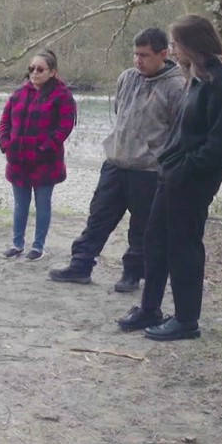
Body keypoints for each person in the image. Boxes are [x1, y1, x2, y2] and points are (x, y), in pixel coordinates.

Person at [116, 14, 222, 341]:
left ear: (191, 43)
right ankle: (150, 308)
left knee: (184, 246)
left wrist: (190, 165)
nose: (172, 50)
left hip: (193, 178)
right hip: (172, 173)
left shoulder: (220, 79)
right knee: (155, 239)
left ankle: (187, 320)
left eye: (175, 43)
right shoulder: (197, 74)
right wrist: (171, 161)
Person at [49, 29, 185, 291]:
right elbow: (119, 113)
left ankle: (132, 274)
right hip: (116, 162)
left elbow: (178, 130)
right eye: (135, 54)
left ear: (163, 54)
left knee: (142, 228)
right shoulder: (126, 78)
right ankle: (81, 264)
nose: (138, 60)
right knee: (98, 216)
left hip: (149, 169)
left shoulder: (177, 86)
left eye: (144, 55)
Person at [0, 49, 76, 261]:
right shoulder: (19, 93)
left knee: (43, 204)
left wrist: (44, 149)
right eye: (31, 68)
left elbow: (65, 127)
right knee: (20, 205)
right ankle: (17, 244)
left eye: (40, 69)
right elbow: (5, 120)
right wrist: (6, 144)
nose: (34, 73)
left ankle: (38, 247)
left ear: (52, 72)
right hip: (18, 160)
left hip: (45, 161)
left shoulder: (62, 96)